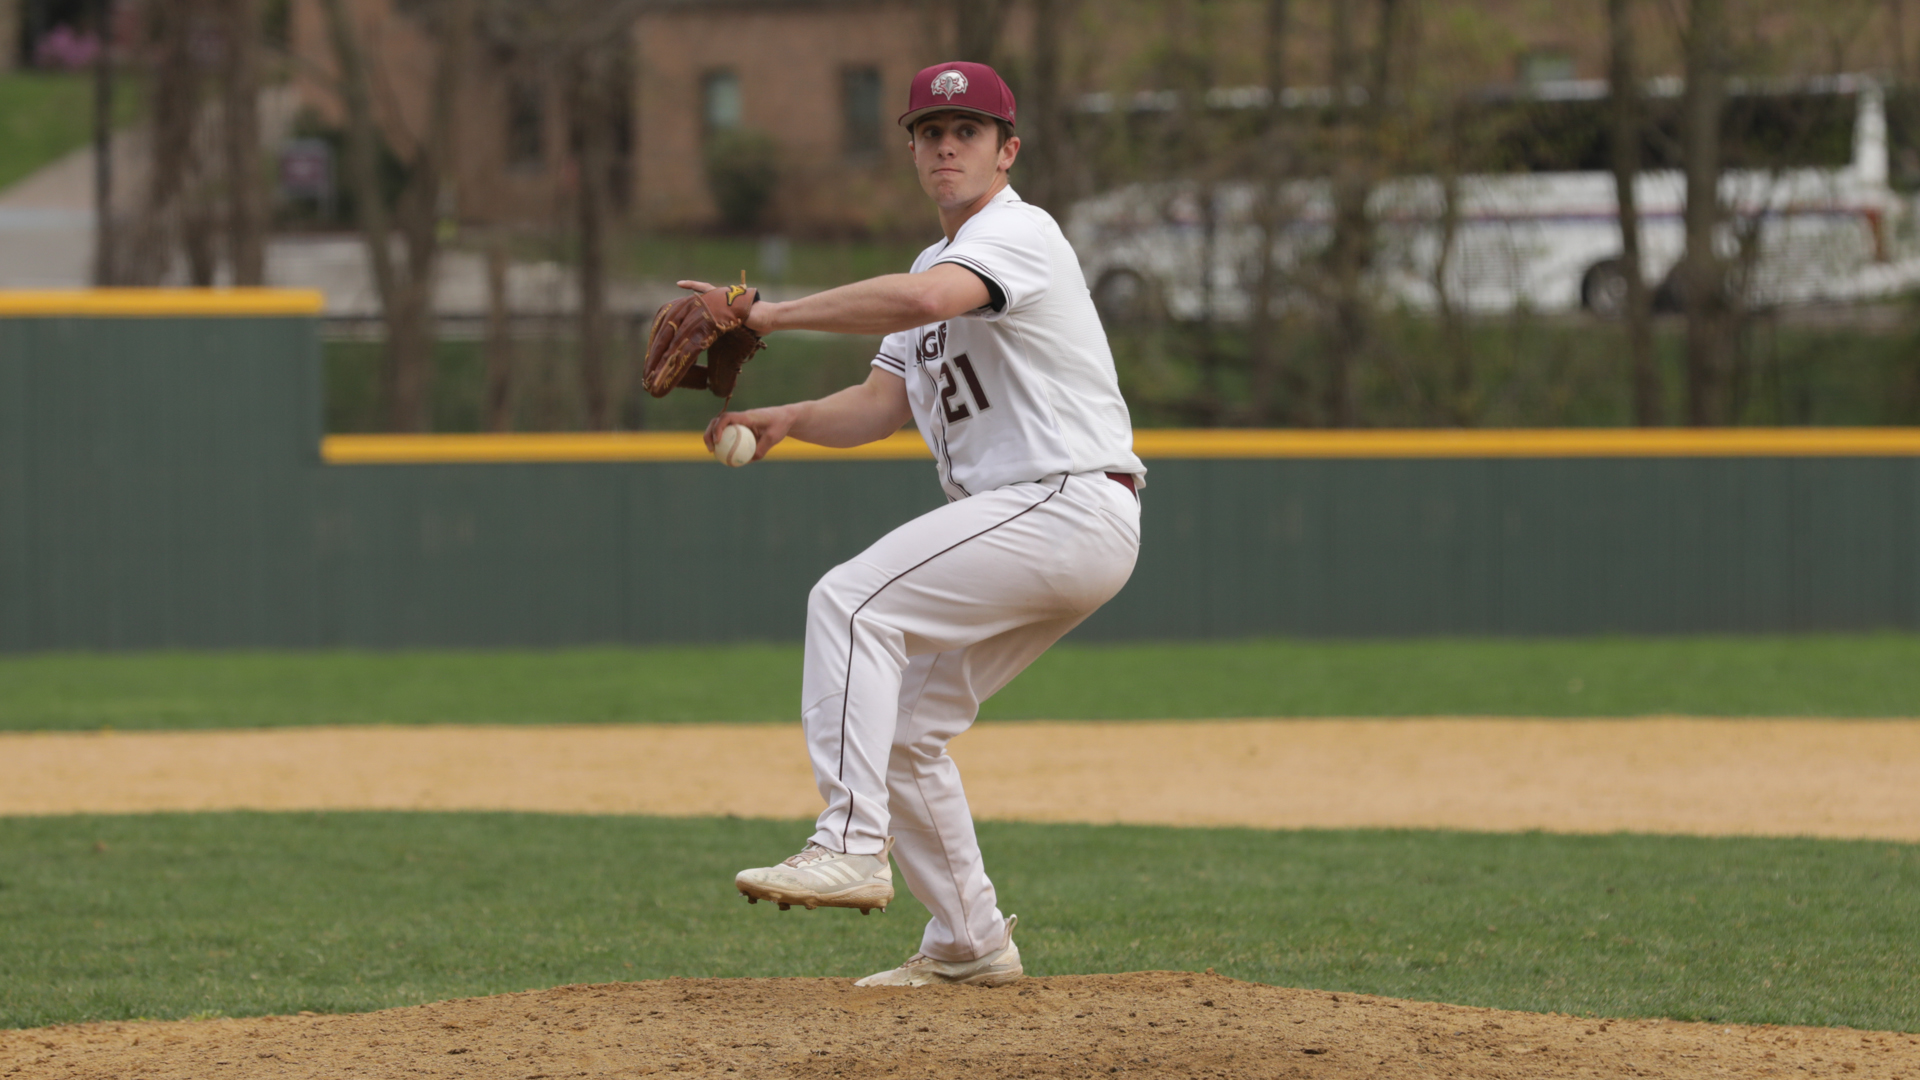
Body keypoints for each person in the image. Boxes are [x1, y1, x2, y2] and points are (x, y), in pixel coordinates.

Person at [702, 61, 1145, 988]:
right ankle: (969, 940)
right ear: (911, 148)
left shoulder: (1018, 233)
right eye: (930, 132)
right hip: (1044, 519)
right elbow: (877, 405)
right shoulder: (928, 268)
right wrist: (785, 419)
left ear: (1006, 151)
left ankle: (851, 843)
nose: (947, 146)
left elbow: (930, 301)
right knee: (905, 724)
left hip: (1060, 498)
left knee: (853, 604)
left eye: (968, 132)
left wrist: (771, 314)